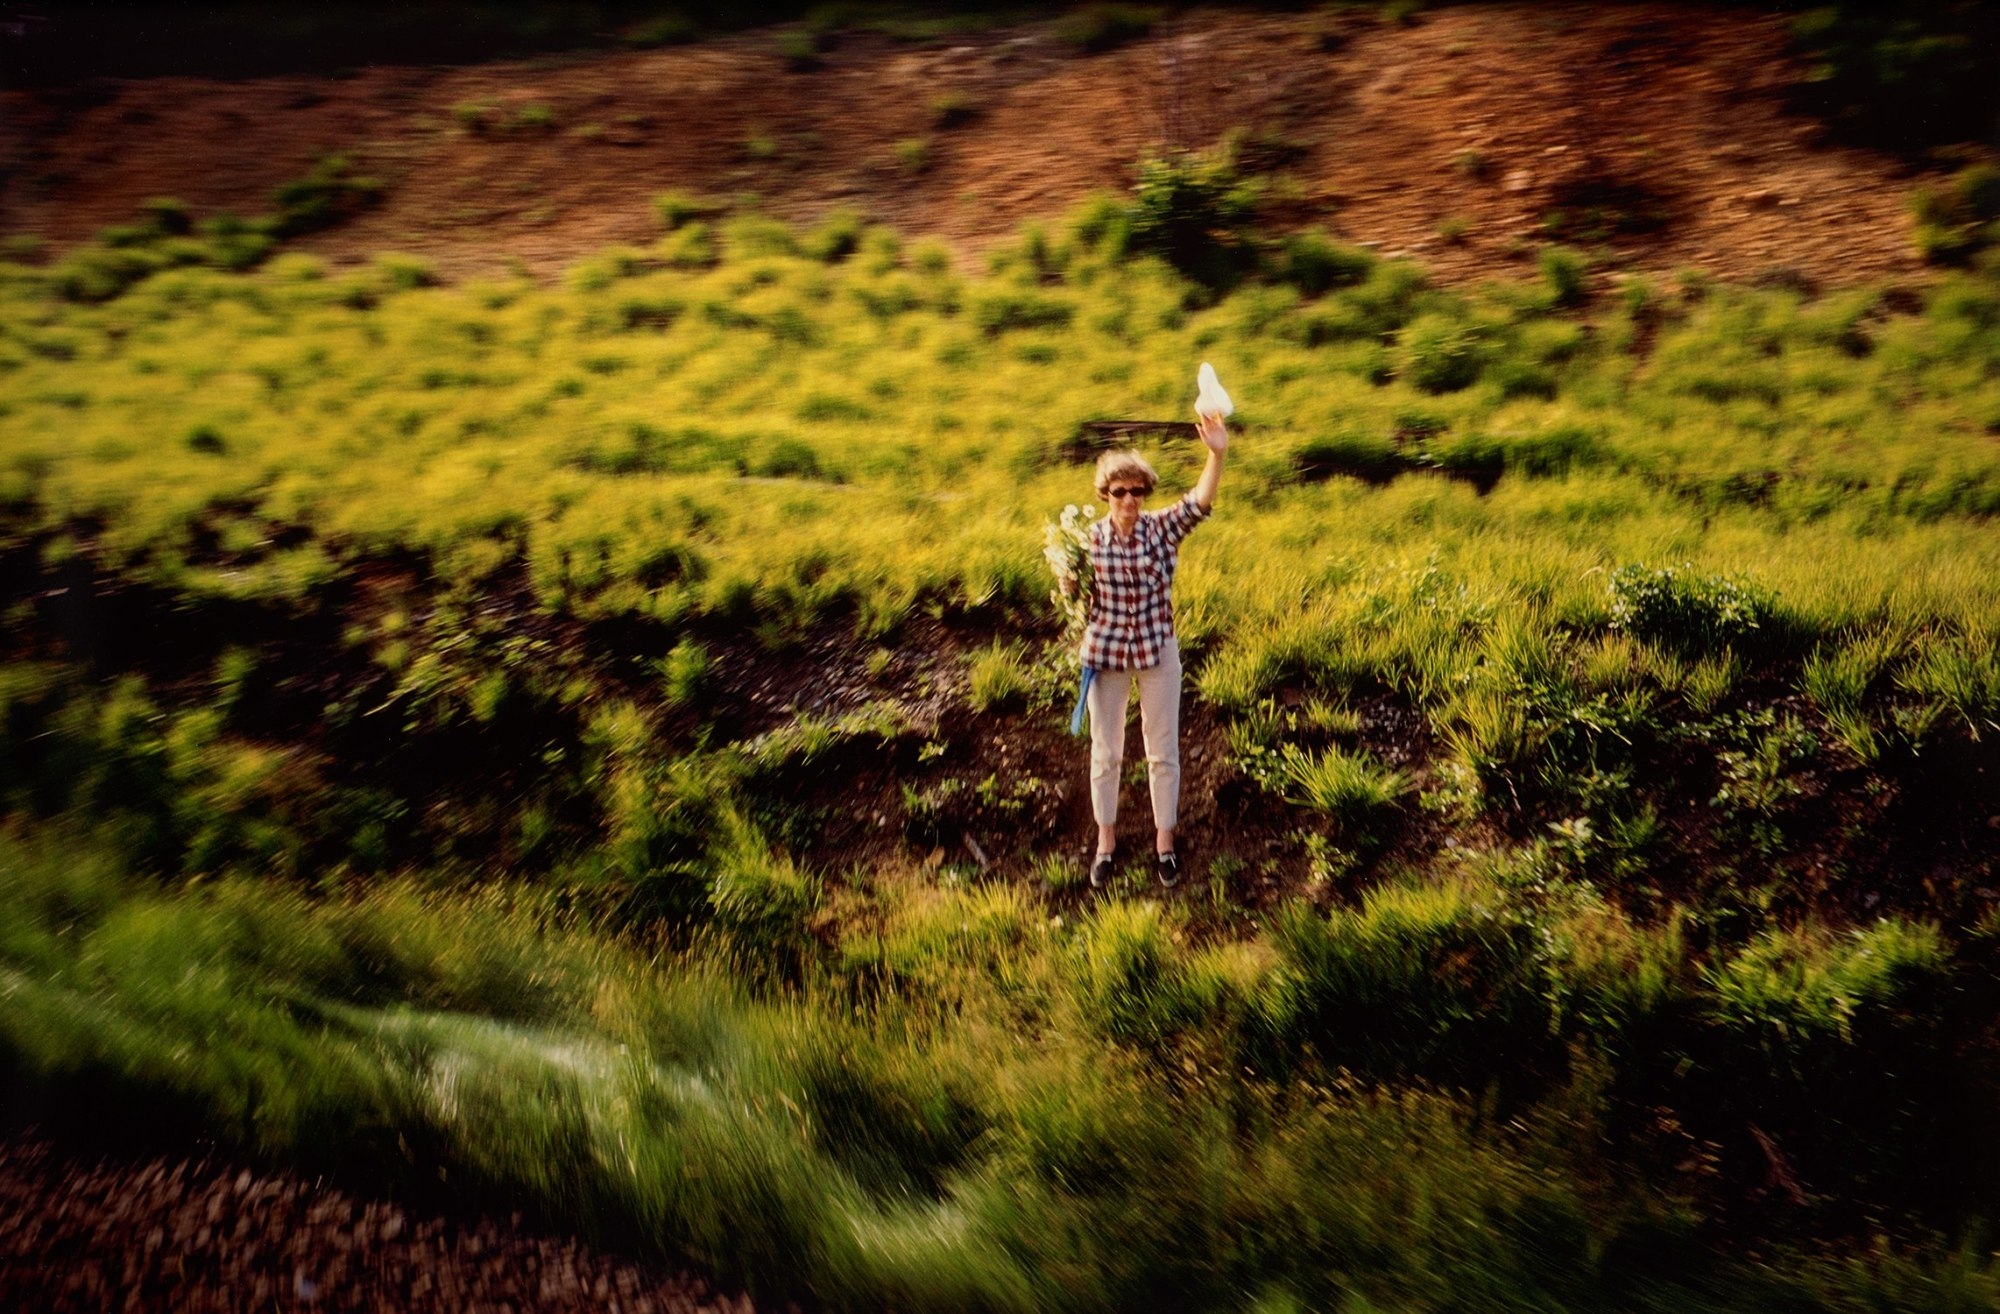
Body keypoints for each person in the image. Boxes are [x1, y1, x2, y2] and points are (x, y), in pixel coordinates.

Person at [1077, 413, 1228, 888]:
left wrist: (1217, 452)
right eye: (1119, 491)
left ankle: (1164, 845)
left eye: (1137, 491)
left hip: (1157, 651)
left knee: (1162, 751)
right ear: (1105, 494)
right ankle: (1106, 844)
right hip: (1106, 658)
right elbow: (1076, 596)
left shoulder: (1161, 529)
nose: (1129, 500)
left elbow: (1199, 503)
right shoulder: (1088, 540)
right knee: (1106, 753)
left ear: (1145, 494)